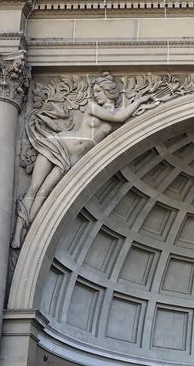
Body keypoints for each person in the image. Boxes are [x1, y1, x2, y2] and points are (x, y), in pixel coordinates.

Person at [12, 73, 152, 249]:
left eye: (99, 91)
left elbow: (121, 118)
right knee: (34, 188)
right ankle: (18, 232)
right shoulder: (93, 107)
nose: (96, 94)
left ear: (109, 90)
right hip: (58, 145)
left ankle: (27, 230)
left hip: (73, 159)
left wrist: (140, 103)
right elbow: (119, 118)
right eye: (94, 91)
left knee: (44, 192)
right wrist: (138, 102)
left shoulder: (115, 111)